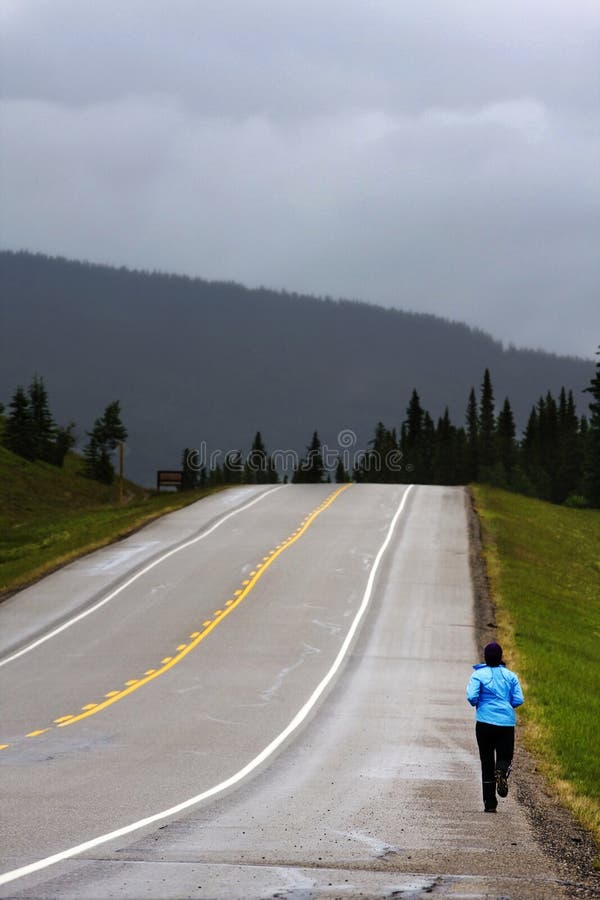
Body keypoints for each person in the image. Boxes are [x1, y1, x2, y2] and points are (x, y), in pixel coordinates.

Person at [466, 641, 524, 813]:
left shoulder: (478, 675)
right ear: (501, 657)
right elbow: (519, 699)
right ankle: (502, 770)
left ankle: (490, 803)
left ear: (485, 657)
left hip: (484, 723)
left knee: (486, 762)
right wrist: (507, 705)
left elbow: (471, 697)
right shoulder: (511, 676)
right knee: (505, 756)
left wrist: (480, 703)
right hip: (505, 724)